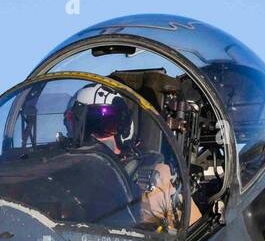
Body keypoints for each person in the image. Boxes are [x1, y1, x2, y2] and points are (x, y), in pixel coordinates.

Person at [65, 83, 196, 232]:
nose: (90, 138)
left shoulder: (154, 180)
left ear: (124, 128)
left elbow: (196, 238)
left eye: (100, 125)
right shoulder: (61, 177)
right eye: (80, 128)